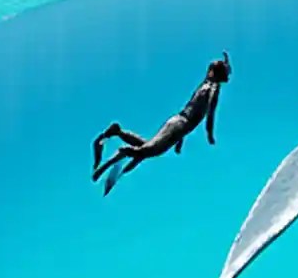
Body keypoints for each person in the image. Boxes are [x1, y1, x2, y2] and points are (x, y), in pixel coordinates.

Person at [91, 52, 231, 194]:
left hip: (176, 121)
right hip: (180, 125)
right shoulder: (213, 87)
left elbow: (191, 111)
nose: (228, 77)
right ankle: (115, 156)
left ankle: (119, 133)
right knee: (148, 151)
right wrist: (209, 134)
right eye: (226, 73)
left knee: (147, 147)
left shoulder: (203, 85)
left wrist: (179, 141)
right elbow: (209, 112)